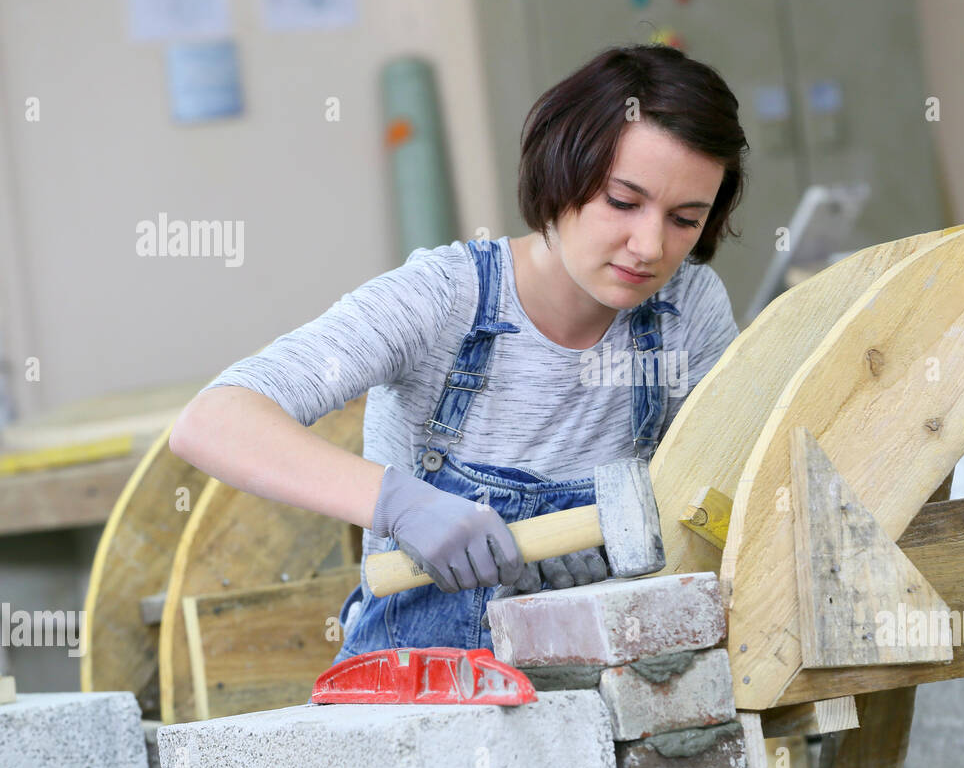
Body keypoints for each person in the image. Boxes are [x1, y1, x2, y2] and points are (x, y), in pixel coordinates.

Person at [169, 44, 749, 665]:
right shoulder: (444, 299)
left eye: (685, 219)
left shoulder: (687, 307)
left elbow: (721, 498)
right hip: (422, 688)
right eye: (622, 202)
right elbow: (214, 422)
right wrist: (401, 504)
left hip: (601, 684)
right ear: (561, 171)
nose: (649, 245)